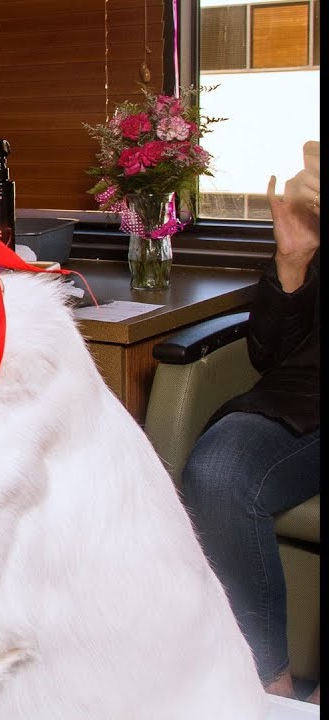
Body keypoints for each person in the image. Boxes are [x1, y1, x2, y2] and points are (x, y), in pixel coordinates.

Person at [180, 140, 320, 703]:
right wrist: (292, 260)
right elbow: (269, 354)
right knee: (216, 472)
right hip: (303, 401)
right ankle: (266, 689)